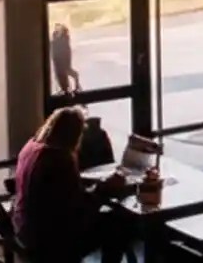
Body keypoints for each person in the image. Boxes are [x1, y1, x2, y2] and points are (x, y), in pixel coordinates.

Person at [11, 107, 132, 262]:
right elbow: (77, 211)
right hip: (49, 240)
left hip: (24, 229)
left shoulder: (30, 148)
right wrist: (104, 189)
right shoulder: (60, 159)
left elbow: (61, 197)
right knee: (116, 224)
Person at [50, 24, 81, 96]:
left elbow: (55, 44)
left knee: (65, 72)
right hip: (59, 59)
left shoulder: (63, 39)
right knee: (63, 73)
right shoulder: (60, 38)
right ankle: (67, 88)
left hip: (62, 59)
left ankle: (67, 88)